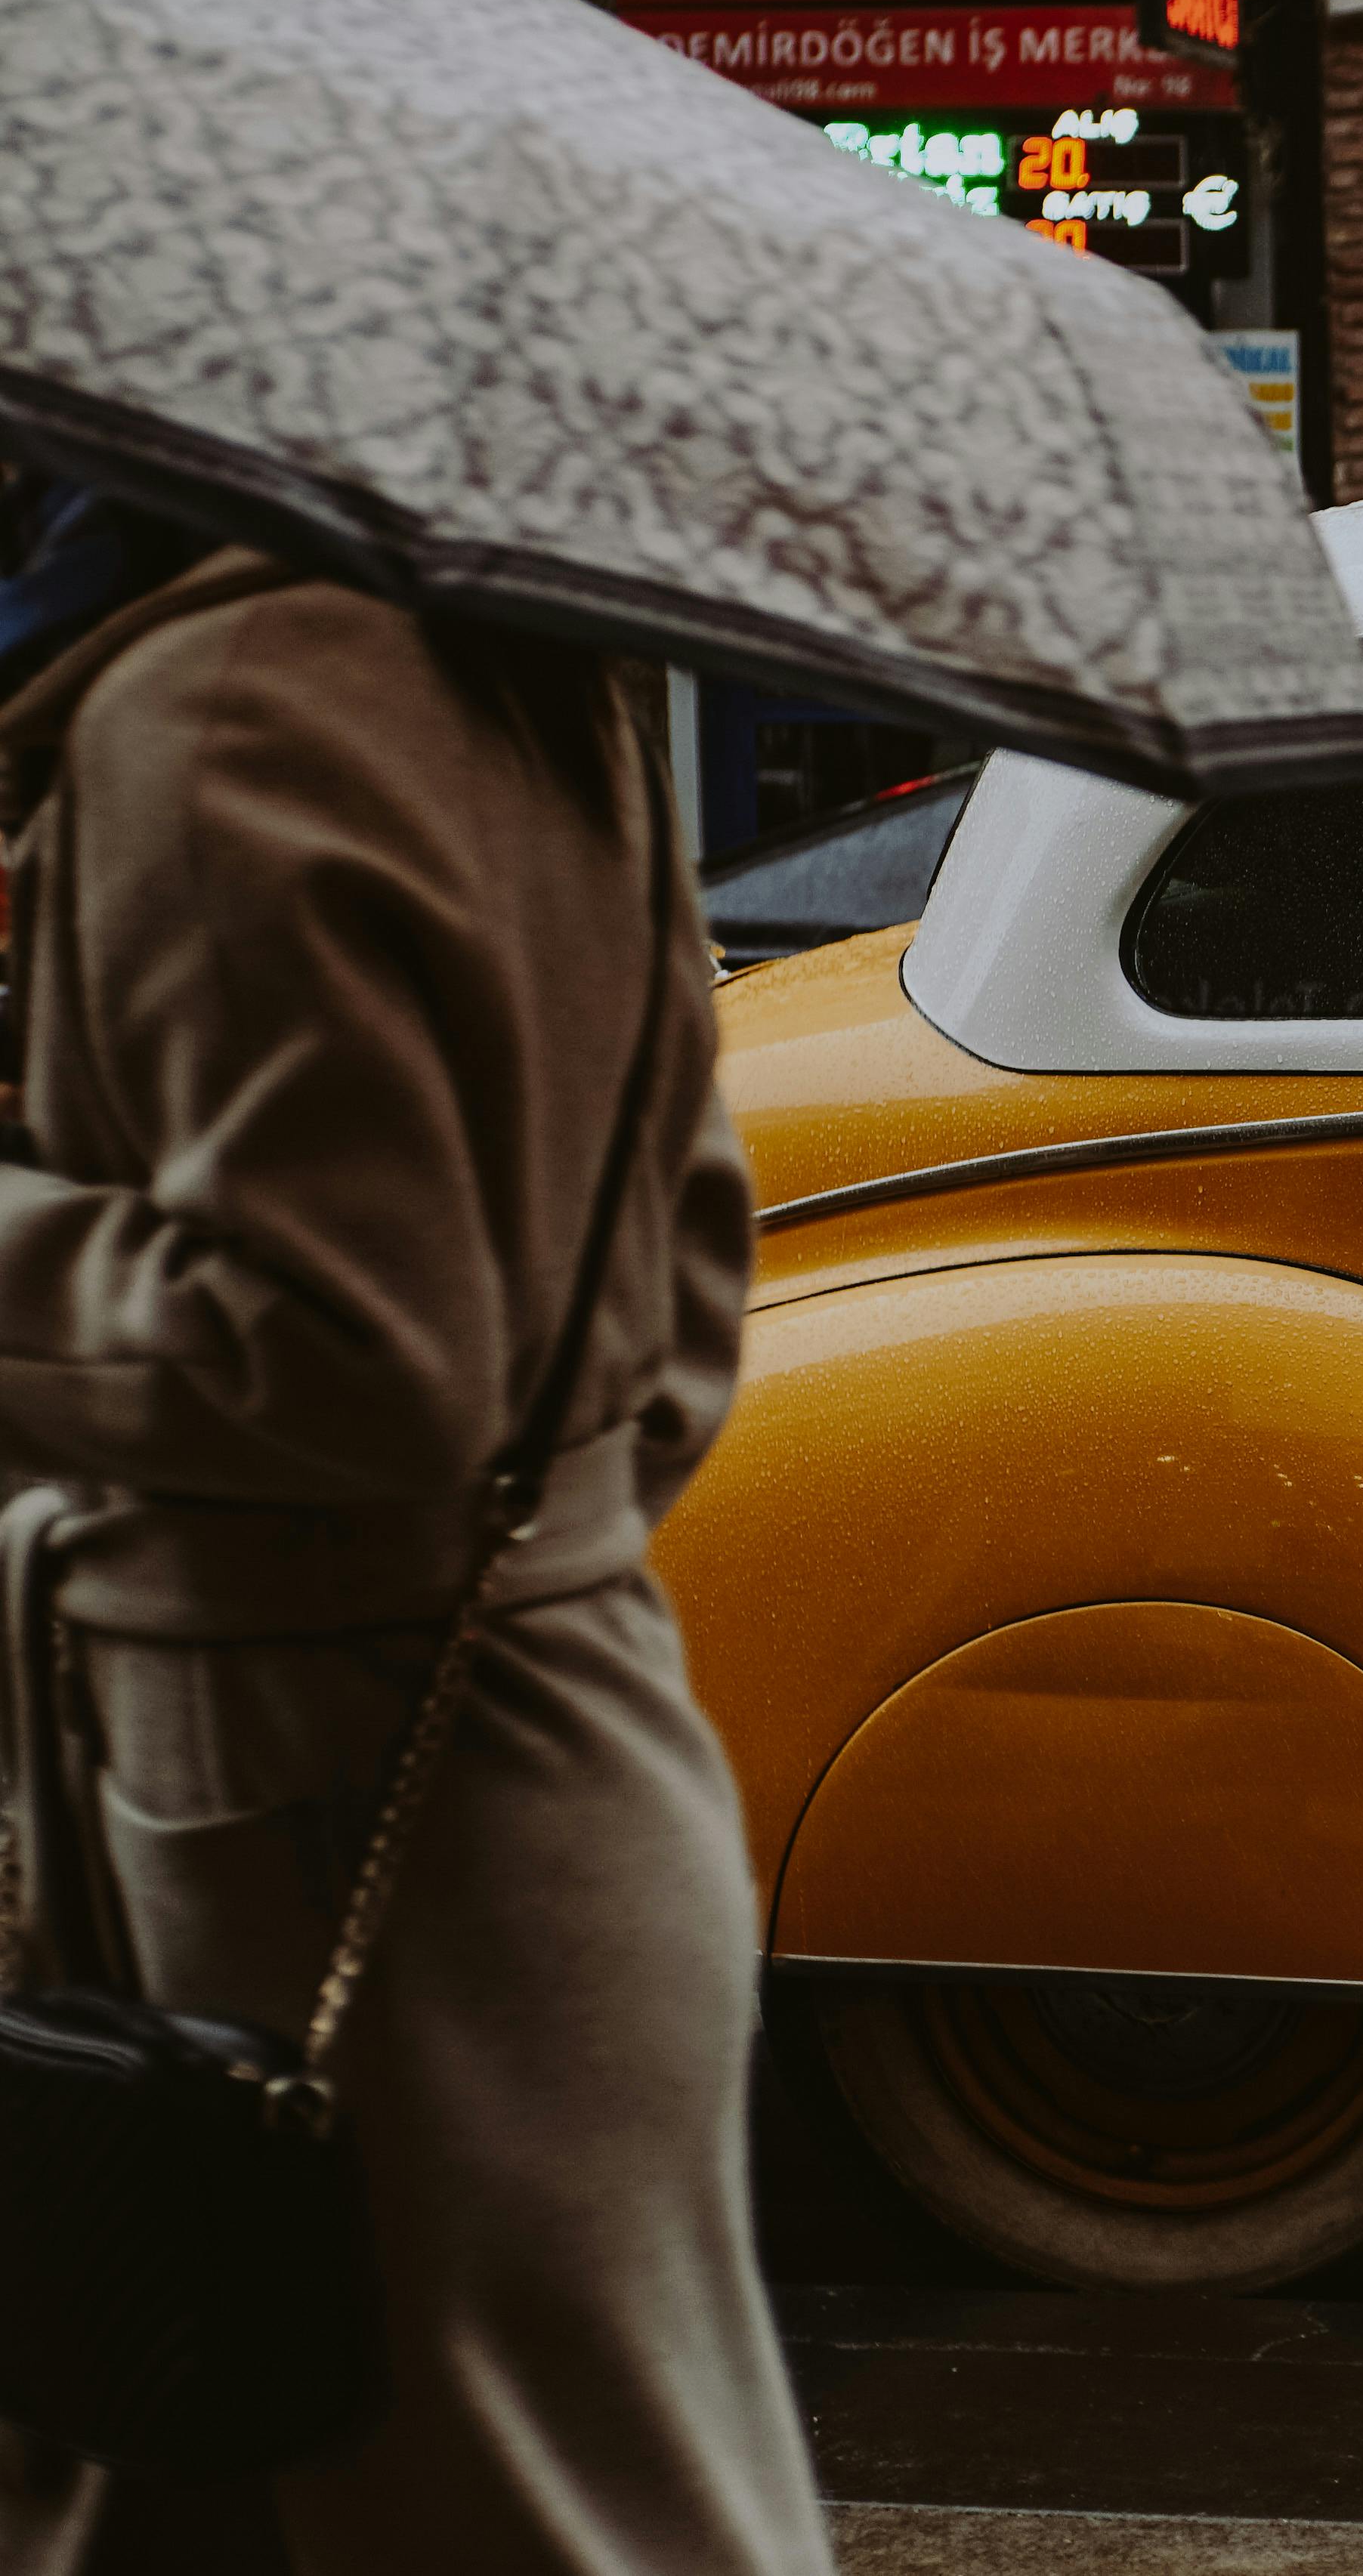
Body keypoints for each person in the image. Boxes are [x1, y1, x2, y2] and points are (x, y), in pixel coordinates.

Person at [0, 494, 829, 2572]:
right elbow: (683, 1278)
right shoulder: (534, 664)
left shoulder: (218, 705)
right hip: (533, 1743)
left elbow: (349, 1351)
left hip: (318, 1799)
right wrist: (526, 1541)